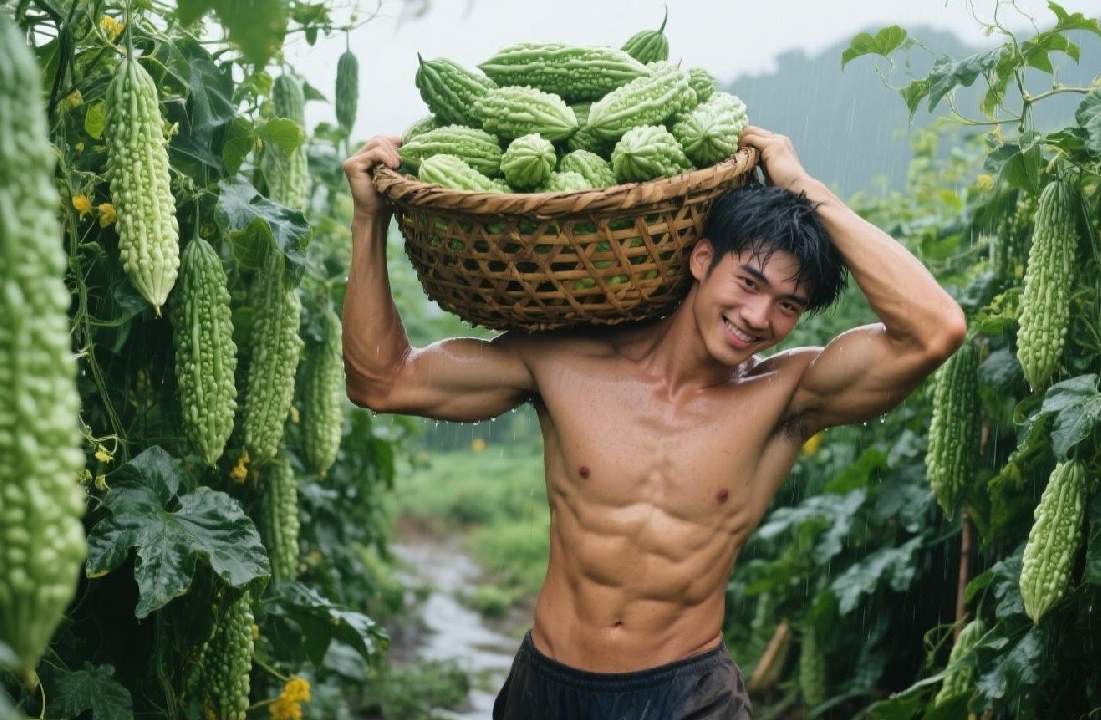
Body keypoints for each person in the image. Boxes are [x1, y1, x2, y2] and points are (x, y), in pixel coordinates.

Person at [340, 127, 967, 720]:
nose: (757, 316)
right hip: (548, 688)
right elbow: (382, 381)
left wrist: (803, 188)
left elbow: (935, 330)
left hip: (687, 694)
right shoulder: (565, 361)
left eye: (787, 304)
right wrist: (370, 220)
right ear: (702, 259)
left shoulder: (787, 396)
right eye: (748, 282)